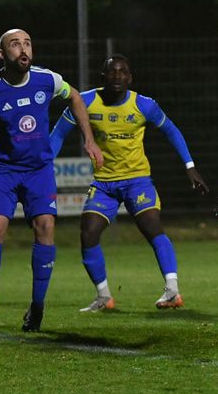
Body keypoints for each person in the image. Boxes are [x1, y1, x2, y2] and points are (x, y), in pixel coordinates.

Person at [0, 28, 103, 334]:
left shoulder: (46, 79)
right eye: (15, 45)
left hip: (39, 170)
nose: (23, 49)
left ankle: (37, 307)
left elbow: (75, 97)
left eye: (27, 43)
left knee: (46, 227)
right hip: (3, 170)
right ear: (2, 54)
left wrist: (88, 139)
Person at [48, 54, 208, 313]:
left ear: (130, 78)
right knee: (88, 233)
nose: (118, 76)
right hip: (104, 184)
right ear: (102, 76)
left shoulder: (143, 105)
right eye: (112, 71)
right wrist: (43, 168)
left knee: (152, 227)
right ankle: (104, 297)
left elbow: (171, 130)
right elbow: (57, 135)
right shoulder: (84, 102)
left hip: (137, 181)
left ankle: (172, 290)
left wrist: (190, 166)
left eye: (123, 72)